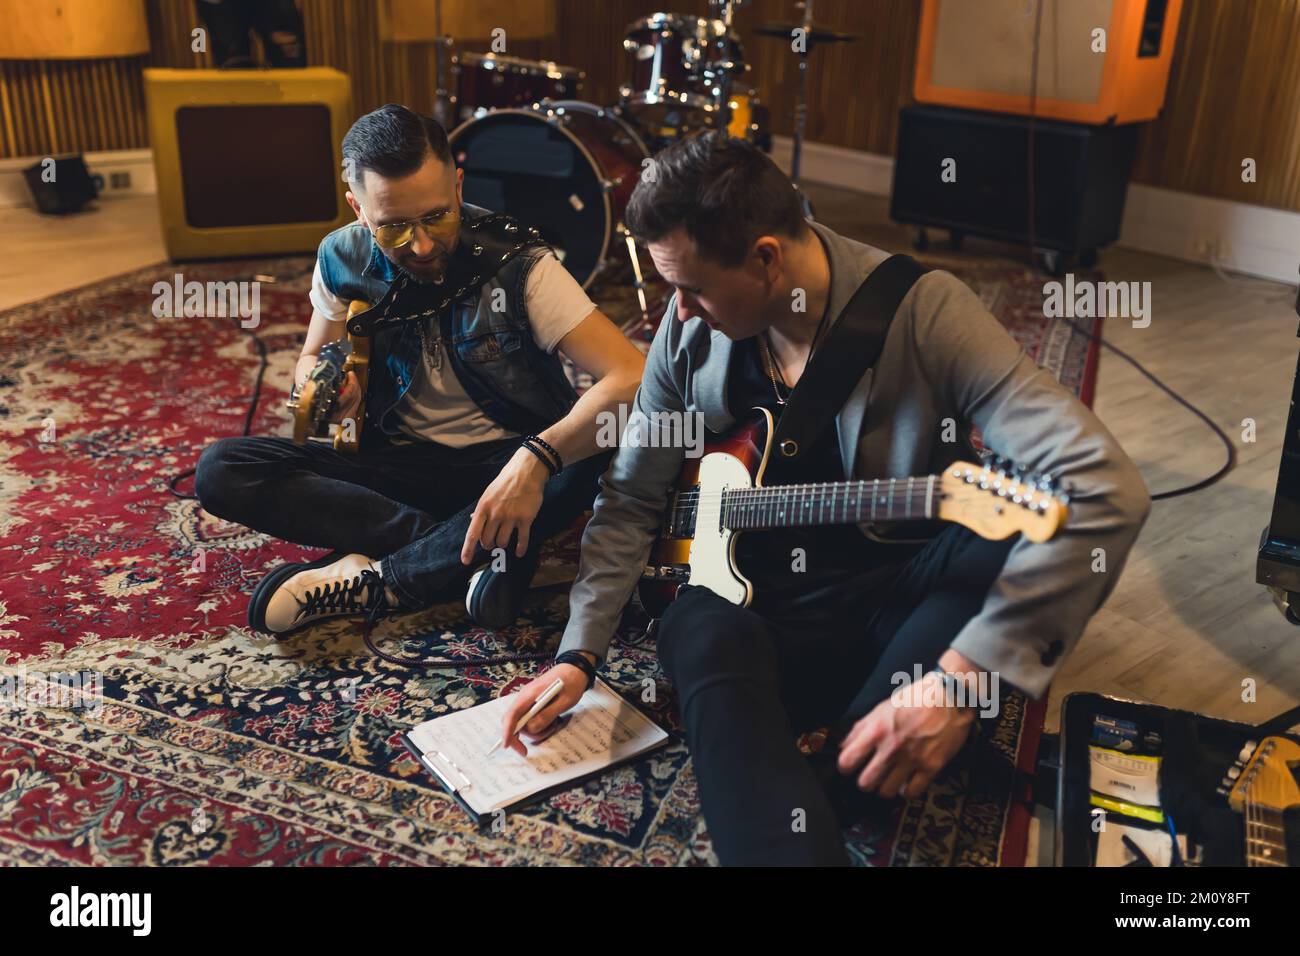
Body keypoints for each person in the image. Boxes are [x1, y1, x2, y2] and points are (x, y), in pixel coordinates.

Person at [497, 132, 1152, 865]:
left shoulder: (926, 311)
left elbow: (1105, 484)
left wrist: (961, 682)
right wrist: (579, 652)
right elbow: (633, 497)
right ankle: (829, 790)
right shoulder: (688, 339)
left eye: (693, 289)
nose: (675, 315)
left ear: (767, 257)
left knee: (1002, 542)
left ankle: (836, 768)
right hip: (755, 615)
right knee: (695, 627)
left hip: (897, 599)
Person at [195, 104, 644, 640]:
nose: (423, 245)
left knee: (606, 446)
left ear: (458, 184)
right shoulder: (340, 255)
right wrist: (325, 385)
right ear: (358, 208)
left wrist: (537, 458)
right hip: (400, 464)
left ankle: (387, 577)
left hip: (507, 466)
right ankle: (470, 554)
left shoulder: (519, 261)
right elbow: (313, 358)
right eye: (395, 228)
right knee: (221, 468)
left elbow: (631, 376)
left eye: (436, 216)